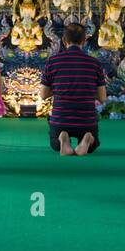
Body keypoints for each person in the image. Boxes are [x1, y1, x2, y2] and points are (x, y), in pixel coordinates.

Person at [41, 23, 106, 156]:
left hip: (61, 118)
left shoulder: (52, 62)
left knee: (54, 143)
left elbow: (43, 95)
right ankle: (88, 138)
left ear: (64, 41)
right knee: (94, 144)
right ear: (84, 41)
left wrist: (60, 89)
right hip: (86, 120)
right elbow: (102, 97)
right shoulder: (95, 63)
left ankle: (62, 138)